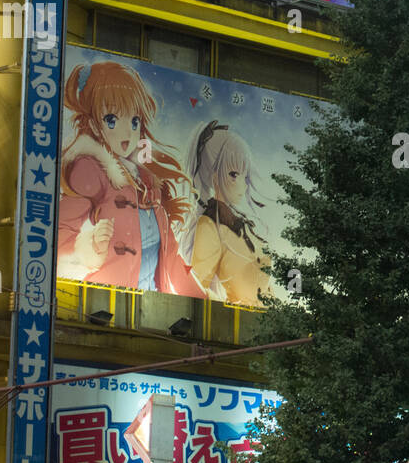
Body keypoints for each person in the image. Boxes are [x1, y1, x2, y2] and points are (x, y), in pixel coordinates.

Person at [58, 60, 204, 296]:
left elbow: (172, 258)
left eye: (134, 121)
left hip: (150, 311)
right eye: (112, 120)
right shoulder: (90, 172)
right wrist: (88, 246)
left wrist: (204, 300)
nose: (127, 135)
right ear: (95, 125)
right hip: (104, 308)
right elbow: (58, 238)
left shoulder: (147, 182)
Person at [181, 120, 272, 304]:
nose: (242, 183)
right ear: (214, 176)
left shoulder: (244, 226)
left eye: (245, 176)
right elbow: (198, 289)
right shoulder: (210, 228)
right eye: (233, 174)